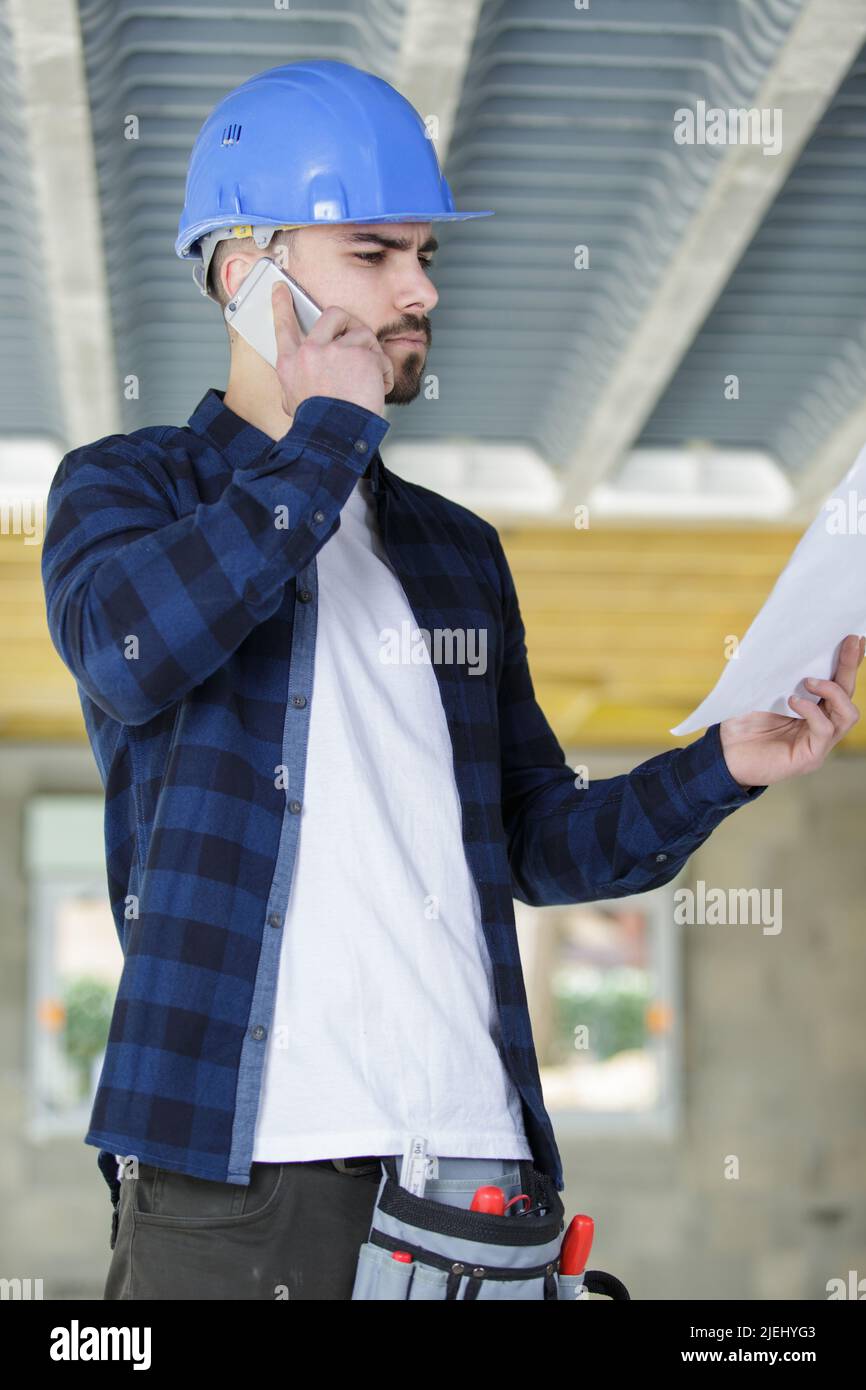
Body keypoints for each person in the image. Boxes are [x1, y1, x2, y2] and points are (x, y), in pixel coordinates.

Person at [41, 60, 863, 1301]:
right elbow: (128, 648)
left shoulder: (453, 553)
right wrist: (323, 439)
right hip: (241, 1178)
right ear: (242, 274)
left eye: (422, 255)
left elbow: (535, 842)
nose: (419, 289)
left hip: (475, 1183)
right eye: (373, 254)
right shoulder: (132, 488)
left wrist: (719, 764)